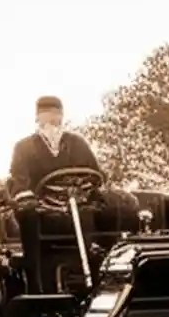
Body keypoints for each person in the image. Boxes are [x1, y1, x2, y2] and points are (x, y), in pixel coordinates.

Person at [8, 96, 102, 293]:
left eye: (55, 117)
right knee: (28, 213)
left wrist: (86, 190)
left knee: (116, 207)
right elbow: (19, 181)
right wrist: (28, 197)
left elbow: (95, 173)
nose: (51, 122)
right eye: (46, 117)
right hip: (41, 206)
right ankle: (36, 285)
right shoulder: (24, 147)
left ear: (62, 117)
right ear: (38, 119)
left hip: (77, 202)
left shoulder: (77, 143)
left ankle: (100, 274)